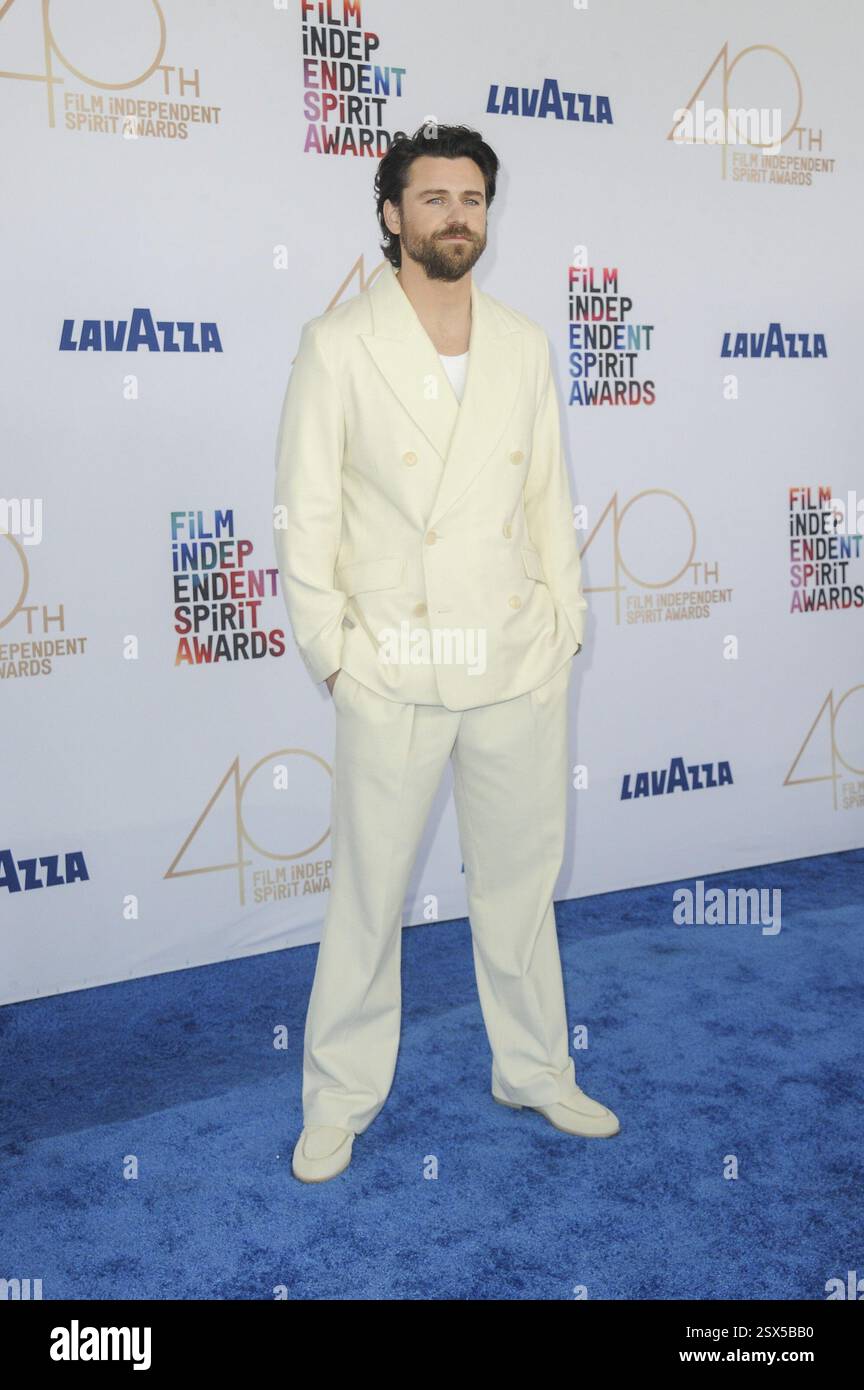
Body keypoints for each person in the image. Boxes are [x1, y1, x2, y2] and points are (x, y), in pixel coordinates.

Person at [273, 123, 620, 1183]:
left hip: (516, 659)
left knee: (519, 886)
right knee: (370, 898)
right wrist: (337, 654)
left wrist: (564, 624)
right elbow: (307, 511)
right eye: (434, 198)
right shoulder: (338, 344)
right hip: (395, 664)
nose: (456, 214)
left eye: (471, 197)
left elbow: (544, 497)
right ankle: (338, 1096)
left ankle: (535, 1068)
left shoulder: (520, 342)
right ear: (393, 215)